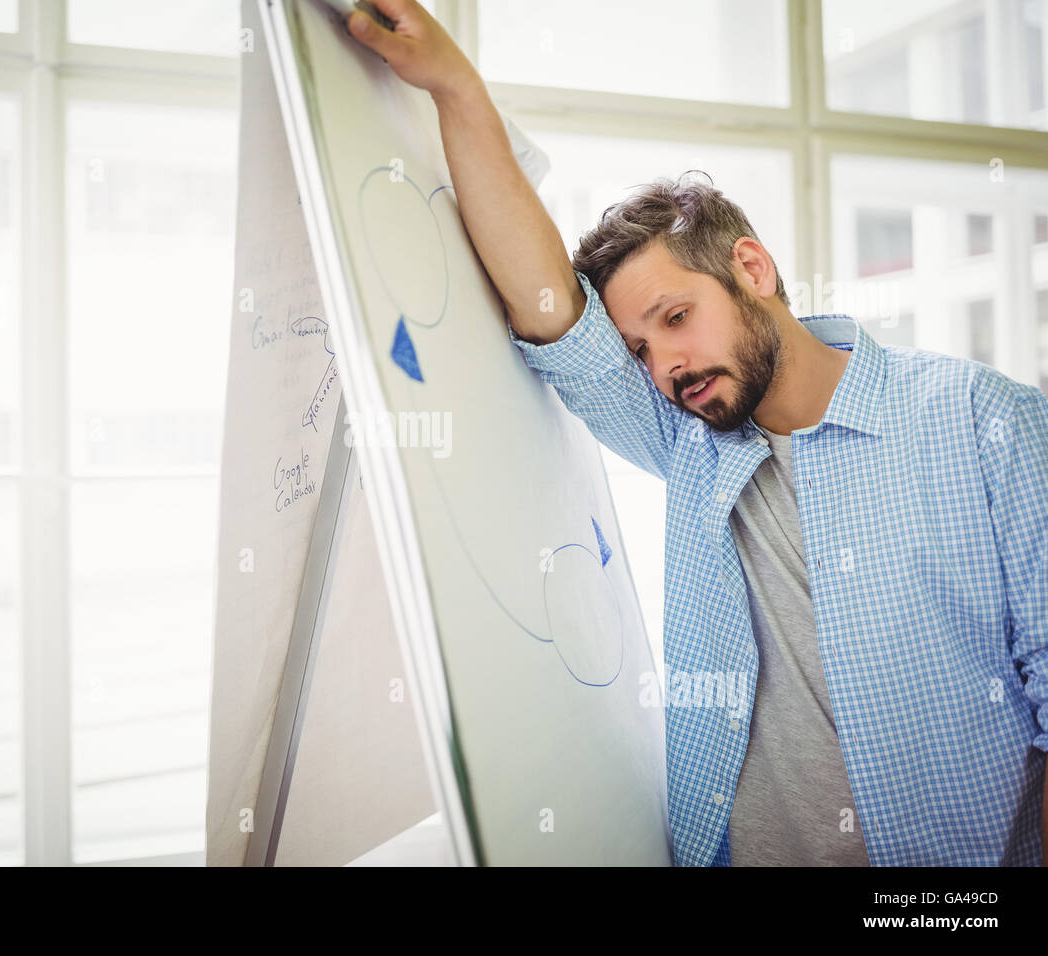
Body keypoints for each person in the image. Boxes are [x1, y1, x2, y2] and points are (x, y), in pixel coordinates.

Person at [344, 0, 1048, 866]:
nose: (665, 366)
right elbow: (550, 311)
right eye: (640, 348)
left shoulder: (982, 420)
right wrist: (455, 89)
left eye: (677, 317)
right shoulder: (690, 442)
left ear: (751, 269)